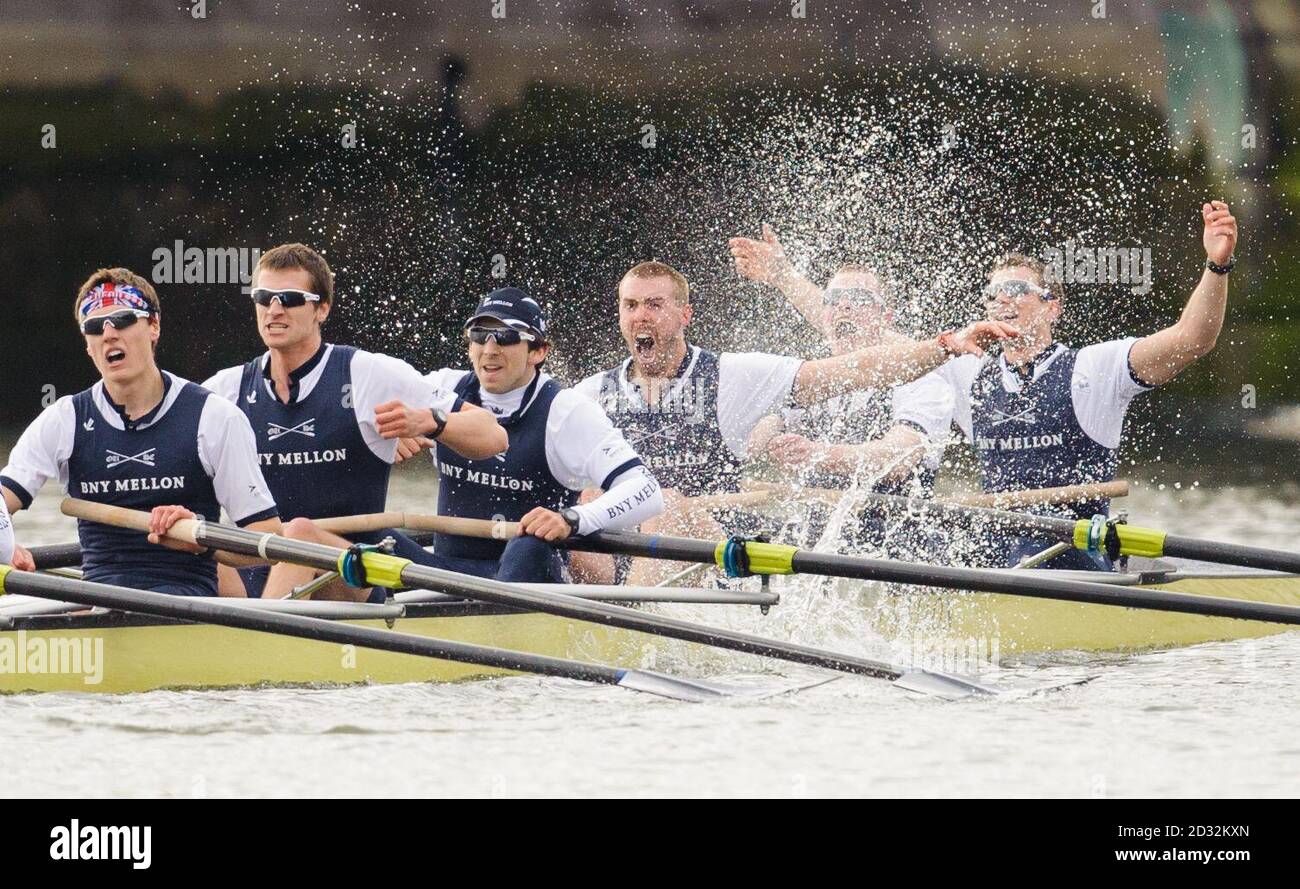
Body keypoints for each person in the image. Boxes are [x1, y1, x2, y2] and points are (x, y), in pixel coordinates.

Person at [573, 260, 1012, 583]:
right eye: (631, 306)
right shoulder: (589, 395)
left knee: (665, 504)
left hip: (887, 544)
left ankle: (617, 627)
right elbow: (770, 426)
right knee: (578, 499)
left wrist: (946, 344)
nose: (641, 316)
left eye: (653, 304)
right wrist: (761, 435)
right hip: (809, 542)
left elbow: (897, 450)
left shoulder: (734, 376)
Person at [935, 201, 1239, 569]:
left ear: (1053, 307)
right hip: (994, 550)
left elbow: (1192, 338)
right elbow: (884, 362)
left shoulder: (1092, 368)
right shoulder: (964, 372)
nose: (1001, 299)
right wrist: (852, 309)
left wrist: (1216, 266)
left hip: (1071, 553)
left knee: (1027, 552)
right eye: (993, 293)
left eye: (1015, 288)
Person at [202, 243, 506, 601]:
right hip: (258, 569)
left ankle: (255, 644)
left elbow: (494, 435)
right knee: (191, 537)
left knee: (300, 533)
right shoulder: (226, 389)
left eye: (291, 298)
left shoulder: (367, 374)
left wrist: (428, 422)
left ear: (322, 309)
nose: (274, 309)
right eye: (264, 297)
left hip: (358, 574)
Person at [0, 269, 281, 596]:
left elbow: (267, 538)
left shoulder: (214, 417)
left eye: (122, 320)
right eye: (94, 326)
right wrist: (6, 548)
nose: (109, 335)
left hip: (187, 607)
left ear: (154, 327)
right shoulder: (64, 419)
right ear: (88, 346)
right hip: (99, 603)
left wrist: (200, 542)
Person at [403, 287, 663, 583]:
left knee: (528, 546)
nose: (489, 349)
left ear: (538, 351)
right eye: (480, 334)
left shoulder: (565, 411)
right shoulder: (441, 388)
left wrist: (573, 519)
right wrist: (390, 433)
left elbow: (646, 490)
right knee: (372, 541)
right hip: (446, 572)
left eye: (506, 336)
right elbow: (359, 414)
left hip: (527, 575)